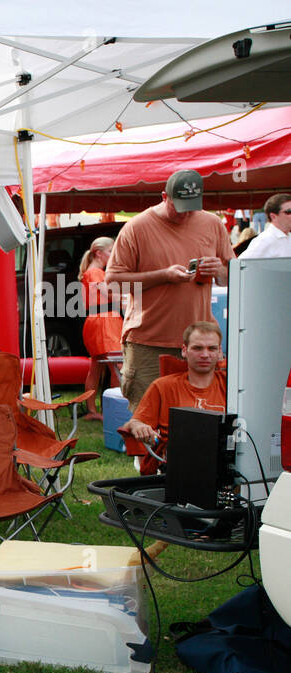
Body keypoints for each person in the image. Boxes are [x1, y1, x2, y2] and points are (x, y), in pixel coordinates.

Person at [105, 169, 234, 410]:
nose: (186, 215)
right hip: (149, 342)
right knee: (148, 417)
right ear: (165, 197)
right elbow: (113, 282)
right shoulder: (137, 227)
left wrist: (220, 271)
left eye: (192, 207)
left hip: (199, 342)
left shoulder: (212, 223)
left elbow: (232, 276)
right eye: (180, 206)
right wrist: (163, 276)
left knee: (203, 416)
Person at [123, 321, 226, 465]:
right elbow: (133, 423)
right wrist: (138, 427)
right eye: (197, 348)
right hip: (176, 465)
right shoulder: (163, 386)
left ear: (220, 352)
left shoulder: (232, 386)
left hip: (223, 463)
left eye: (212, 348)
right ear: (184, 350)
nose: (205, 354)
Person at [78, 236, 125, 421]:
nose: (113, 256)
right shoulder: (96, 272)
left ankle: (93, 410)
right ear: (99, 253)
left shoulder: (90, 271)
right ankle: (111, 410)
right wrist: (126, 299)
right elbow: (108, 293)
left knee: (96, 367)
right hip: (105, 321)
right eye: (110, 252)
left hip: (96, 320)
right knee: (117, 366)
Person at [239, 193, 291, 259]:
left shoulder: (287, 237)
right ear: (273, 216)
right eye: (289, 211)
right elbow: (240, 265)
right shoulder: (265, 240)